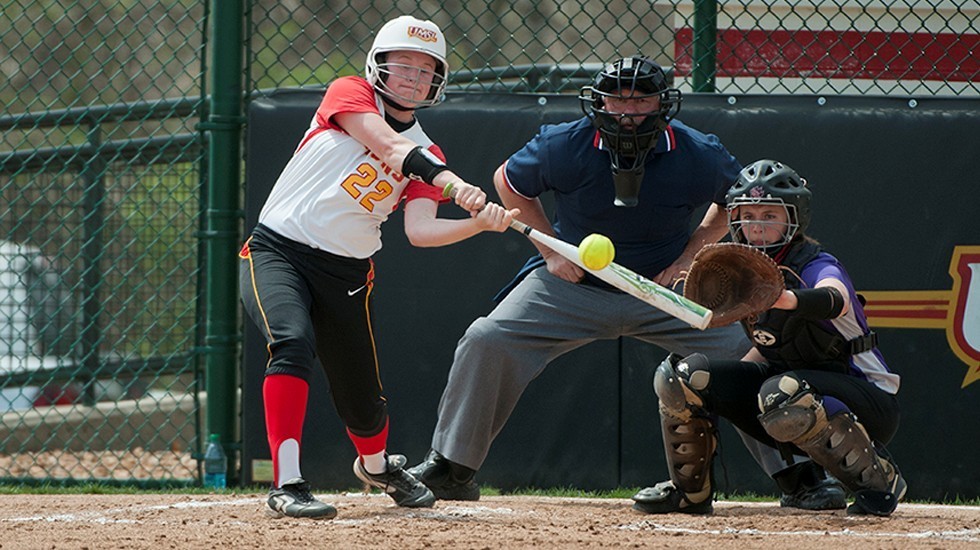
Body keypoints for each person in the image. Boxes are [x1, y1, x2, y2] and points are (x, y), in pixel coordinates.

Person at [408, 57, 843, 509]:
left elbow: (731, 201)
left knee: (748, 353)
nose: (627, 109)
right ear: (598, 101)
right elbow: (508, 181)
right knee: (487, 338)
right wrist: (553, 250)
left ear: (662, 103)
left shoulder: (696, 150)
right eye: (617, 97)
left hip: (665, 290)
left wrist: (688, 258)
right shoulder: (564, 143)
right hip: (574, 285)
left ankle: (800, 476)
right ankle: (453, 468)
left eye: (641, 98)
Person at [239, 15, 517, 519]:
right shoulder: (351, 95)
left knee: (363, 397)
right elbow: (390, 146)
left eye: (425, 70)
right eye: (402, 66)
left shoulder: (430, 151)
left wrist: (479, 225)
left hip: (346, 273)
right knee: (292, 341)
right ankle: (288, 483)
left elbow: (420, 231)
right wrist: (453, 182)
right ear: (378, 66)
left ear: (437, 82)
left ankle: (375, 464)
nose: (412, 78)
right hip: (277, 250)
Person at [632, 159, 905, 516]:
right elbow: (766, 348)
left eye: (769, 215)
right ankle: (690, 493)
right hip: (791, 395)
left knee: (780, 392)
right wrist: (717, 390)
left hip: (867, 401)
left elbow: (834, 297)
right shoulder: (743, 268)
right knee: (683, 377)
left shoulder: (815, 263)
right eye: (748, 215)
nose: (756, 225)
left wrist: (786, 298)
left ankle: (878, 480)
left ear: (794, 217)